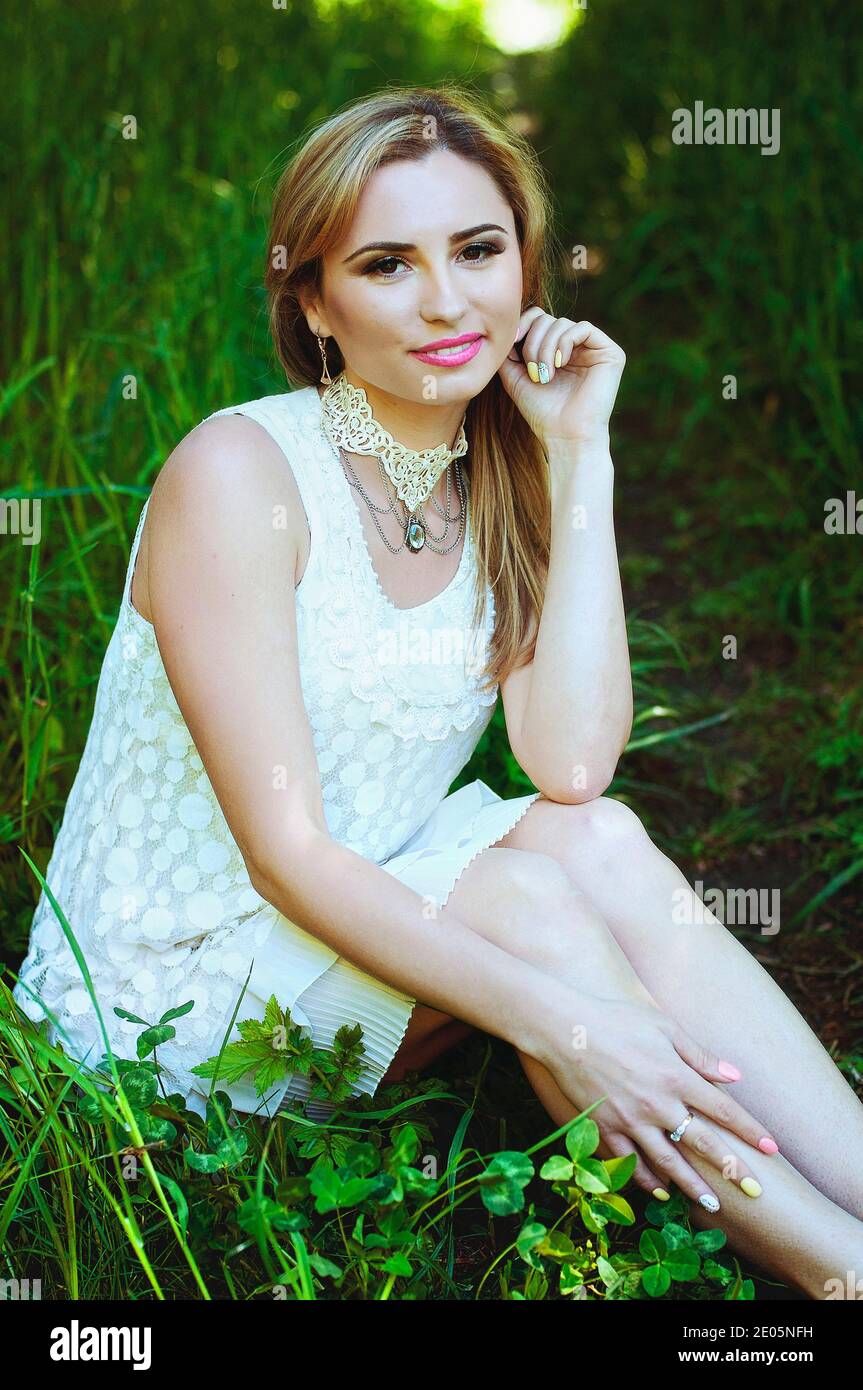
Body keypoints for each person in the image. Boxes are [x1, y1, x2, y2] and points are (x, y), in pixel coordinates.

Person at [13, 84, 863, 1299]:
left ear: (524, 260)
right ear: (313, 302)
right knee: (524, 896)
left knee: (597, 835)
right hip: (174, 993)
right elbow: (287, 857)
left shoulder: (497, 460)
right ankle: (835, 1270)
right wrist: (574, 1027)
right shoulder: (238, 471)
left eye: (476, 250)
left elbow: (567, 765)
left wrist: (579, 454)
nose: (447, 301)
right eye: (384, 265)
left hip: (378, 895)